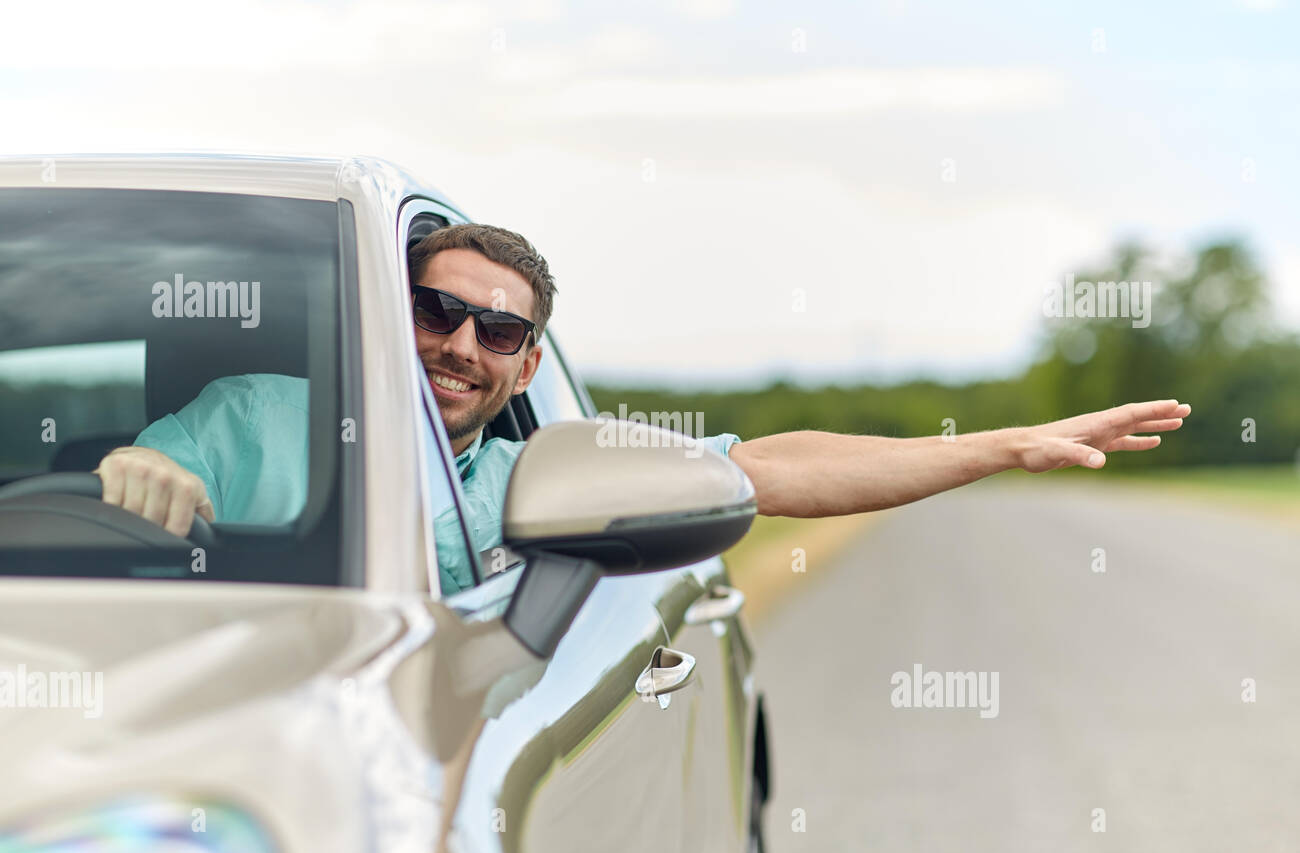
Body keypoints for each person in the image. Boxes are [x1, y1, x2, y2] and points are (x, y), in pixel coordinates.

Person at [95, 223, 1191, 594]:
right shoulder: (248, 415)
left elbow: (773, 465)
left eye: (500, 330)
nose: (459, 343)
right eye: (432, 309)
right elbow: (139, 494)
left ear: (528, 367)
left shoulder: (531, 472)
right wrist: (148, 489)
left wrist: (998, 444)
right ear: (388, 317)